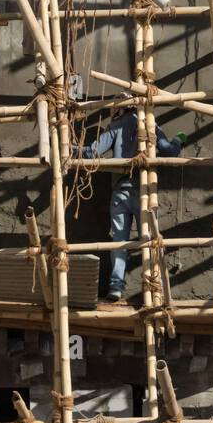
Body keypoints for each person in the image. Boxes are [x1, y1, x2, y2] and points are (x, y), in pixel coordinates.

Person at [82, 107, 187, 302]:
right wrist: (179, 139)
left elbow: (91, 153)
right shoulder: (151, 124)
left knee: (119, 241)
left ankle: (115, 287)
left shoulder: (116, 125)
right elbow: (169, 149)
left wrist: (69, 149)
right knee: (149, 240)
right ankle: (156, 287)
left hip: (121, 190)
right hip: (145, 191)